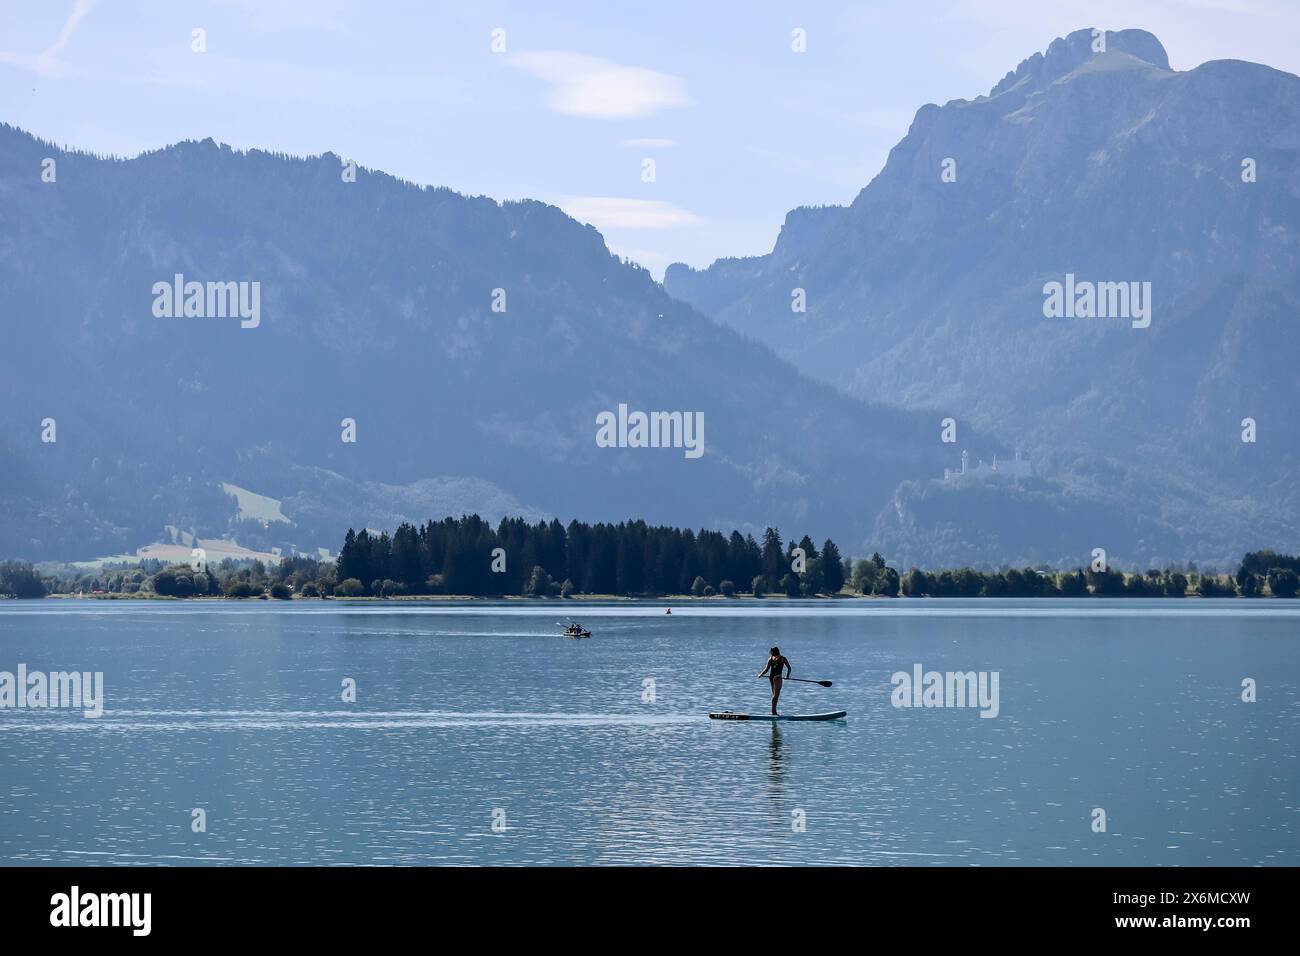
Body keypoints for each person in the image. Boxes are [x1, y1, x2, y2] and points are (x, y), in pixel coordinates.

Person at [758, 646, 791, 715]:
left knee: (774, 695)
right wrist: (787, 676)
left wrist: (760, 675)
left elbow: (766, 670)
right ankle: (774, 712)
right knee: (776, 695)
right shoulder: (783, 658)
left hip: (771, 677)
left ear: (773, 652)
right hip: (778, 677)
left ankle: (773, 711)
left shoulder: (770, 659)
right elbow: (789, 668)